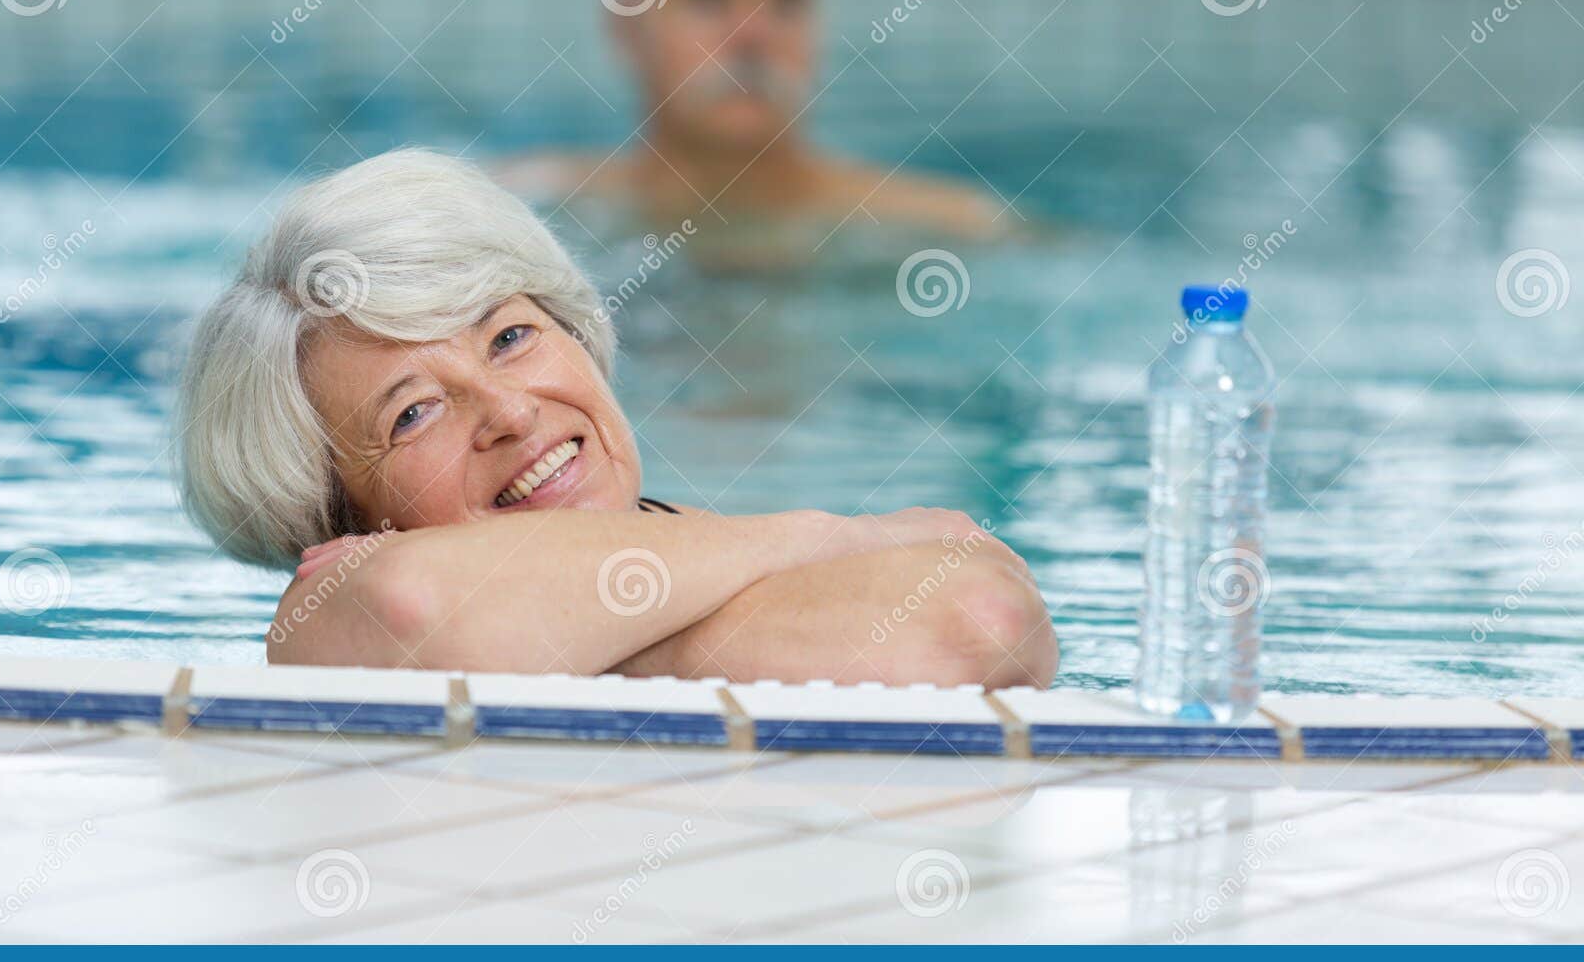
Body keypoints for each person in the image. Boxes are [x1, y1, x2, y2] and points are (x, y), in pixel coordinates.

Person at [174, 149, 1055, 687]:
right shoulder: (329, 613)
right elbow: (415, 604)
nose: (510, 409)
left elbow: (980, 620)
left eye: (511, 336)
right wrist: (843, 537)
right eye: (414, 413)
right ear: (342, 520)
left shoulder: (731, 552)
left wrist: (558, 640)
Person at [492, 0, 1012, 269]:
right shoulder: (518, 213)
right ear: (627, 29)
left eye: (786, 0)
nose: (755, 34)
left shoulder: (954, 233)